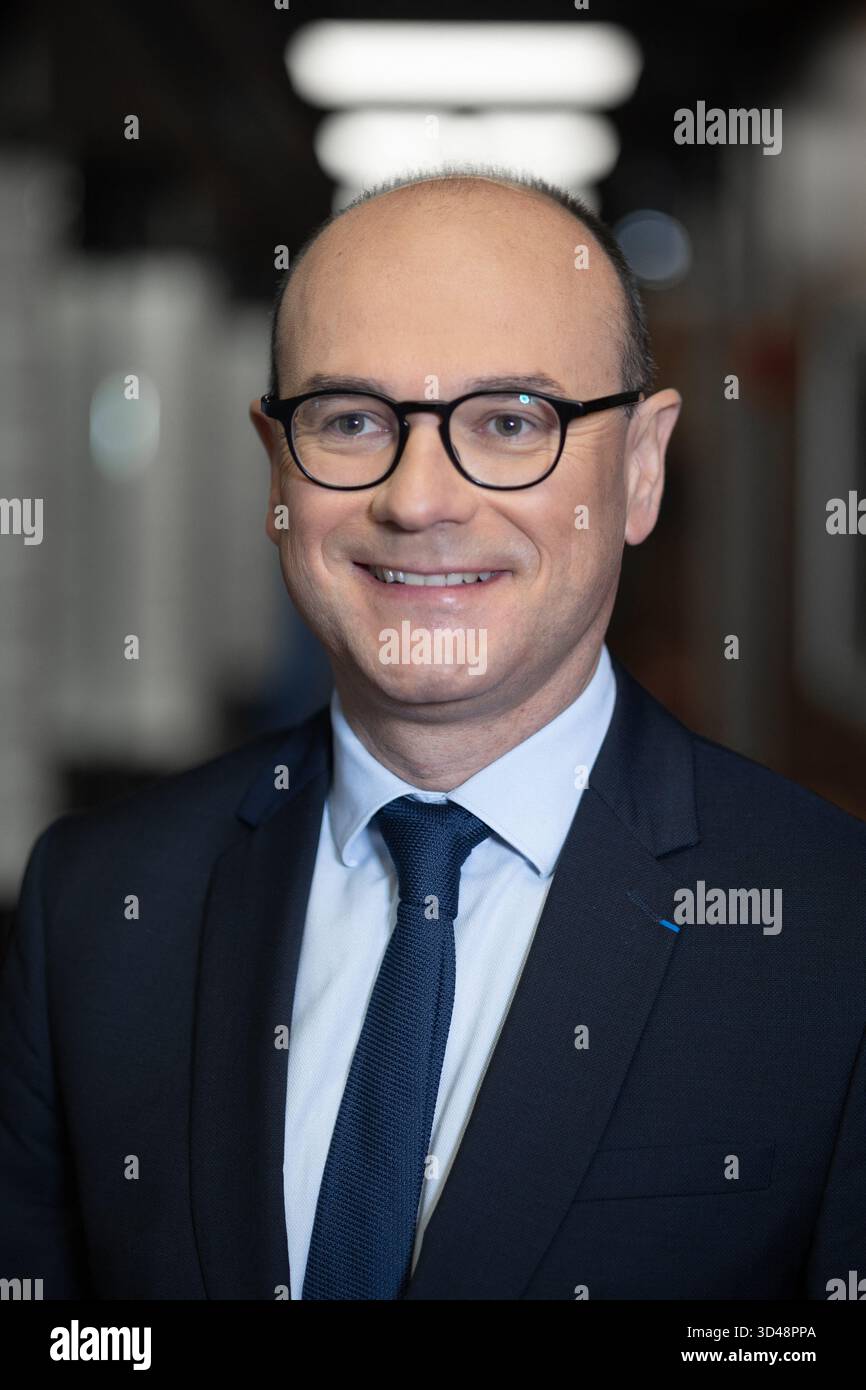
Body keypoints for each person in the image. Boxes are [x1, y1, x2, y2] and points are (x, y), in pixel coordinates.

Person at [1, 168, 864, 1301]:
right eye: (352, 420)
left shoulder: (833, 932)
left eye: (510, 422)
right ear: (276, 467)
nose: (419, 500)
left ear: (640, 468)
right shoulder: (95, 908)